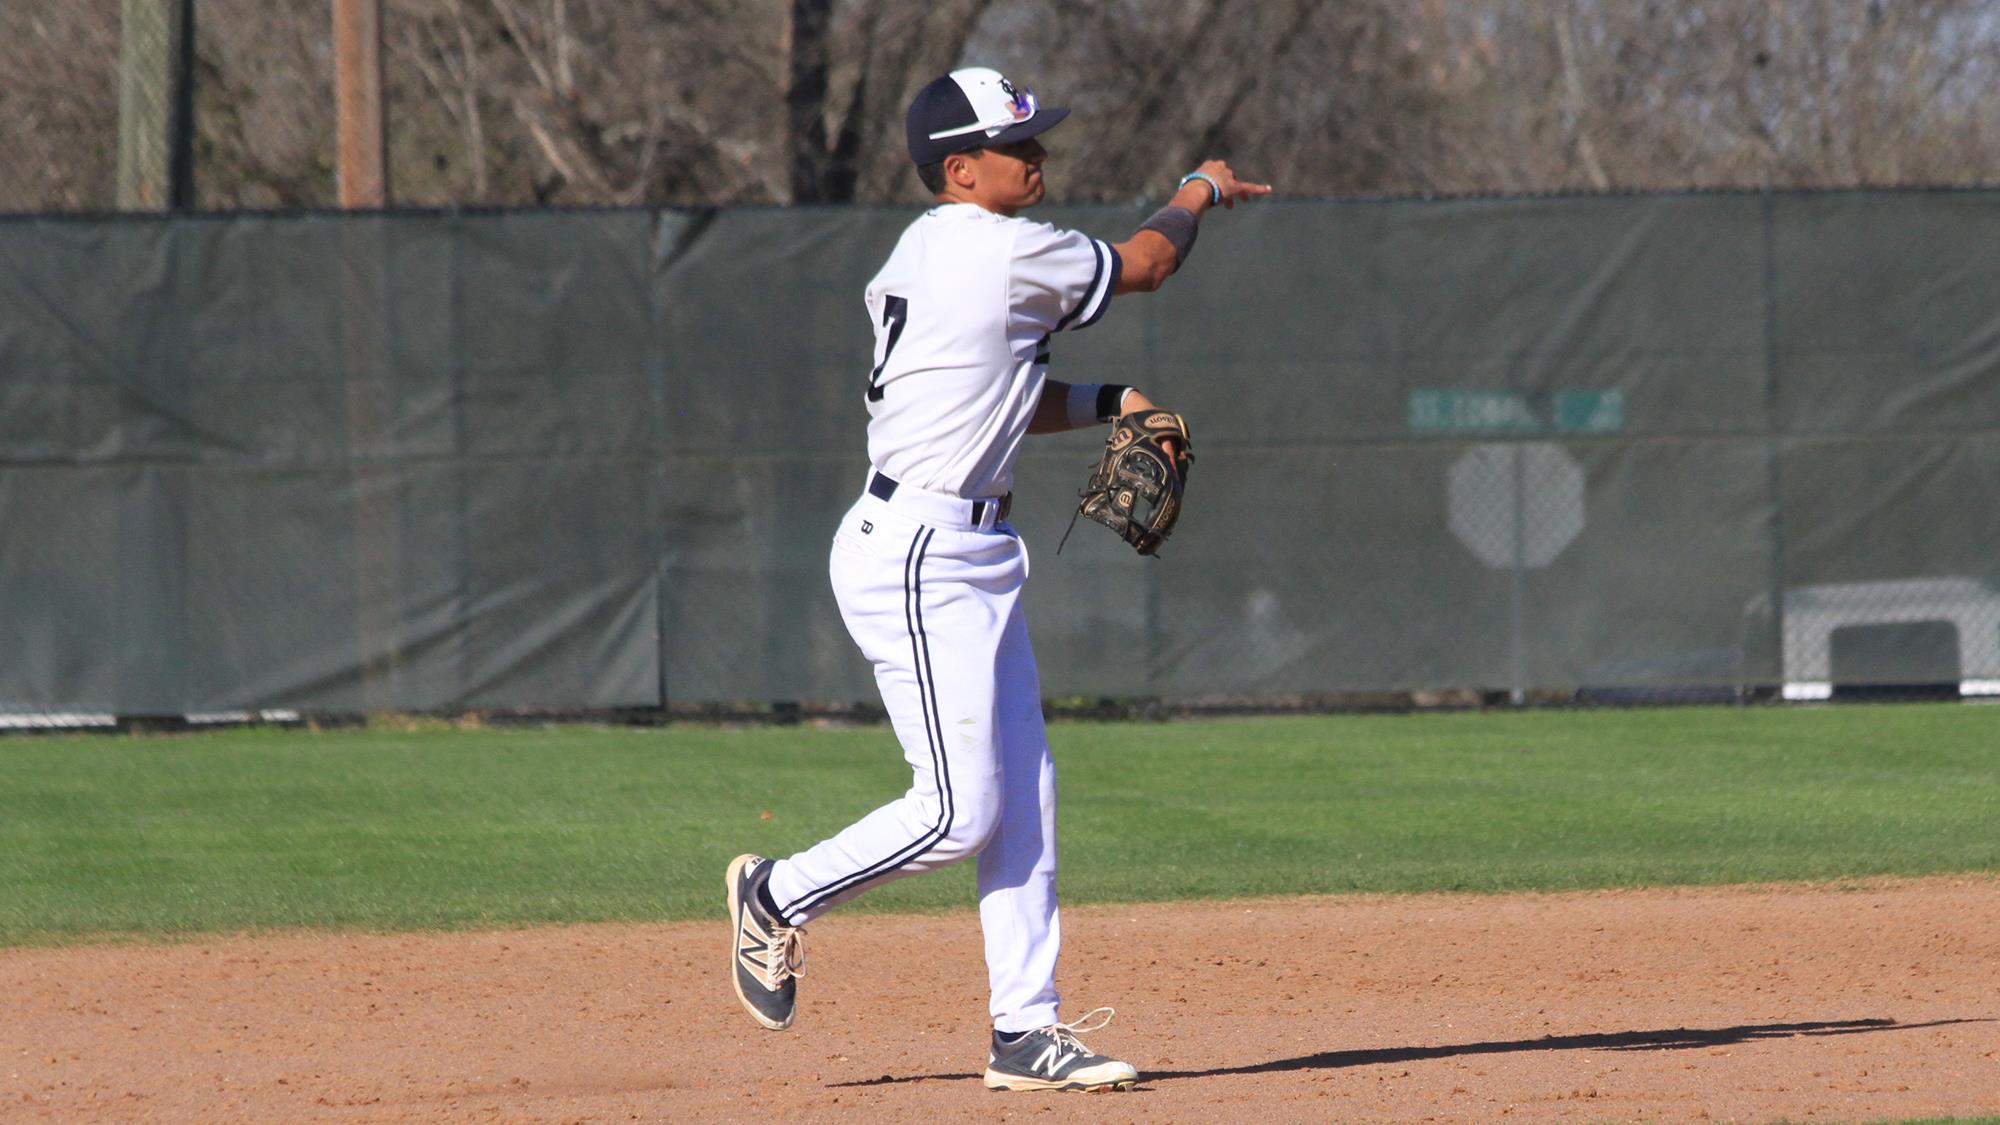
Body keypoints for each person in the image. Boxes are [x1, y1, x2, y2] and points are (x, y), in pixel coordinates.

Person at [727, 65, 1269, 1093]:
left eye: (1036, 141)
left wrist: (1110, 399)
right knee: (954, 811)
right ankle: (775, 895)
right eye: (1017, 147)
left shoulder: (929, 251)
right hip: (919, 555)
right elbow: (1148, 263)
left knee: (1025, 794)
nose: (1039, 159)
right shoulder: (1000, 248)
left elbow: (1000, 399)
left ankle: (1024, 1031)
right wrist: (1198, 189)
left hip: (960, 547)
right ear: (959, 168)